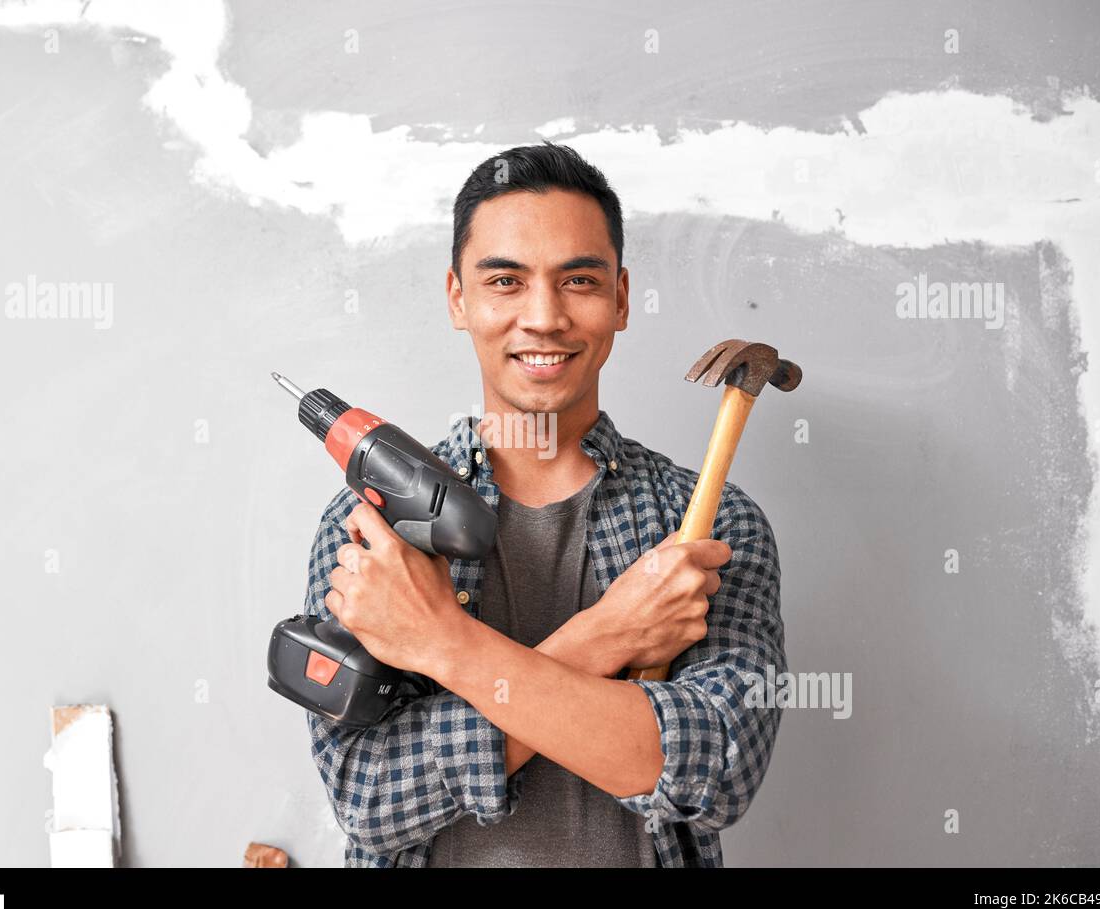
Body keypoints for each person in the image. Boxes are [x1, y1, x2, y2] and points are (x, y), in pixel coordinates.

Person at [303, 141, 787, 867]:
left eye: (579, 280)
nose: (544, 316)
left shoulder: (709, 526)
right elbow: (370, 797)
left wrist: (443, 643)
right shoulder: (374, 534)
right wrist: (606, 636)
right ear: (457, 298)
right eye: (505, 280)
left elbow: (714, 771)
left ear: (621, 298)